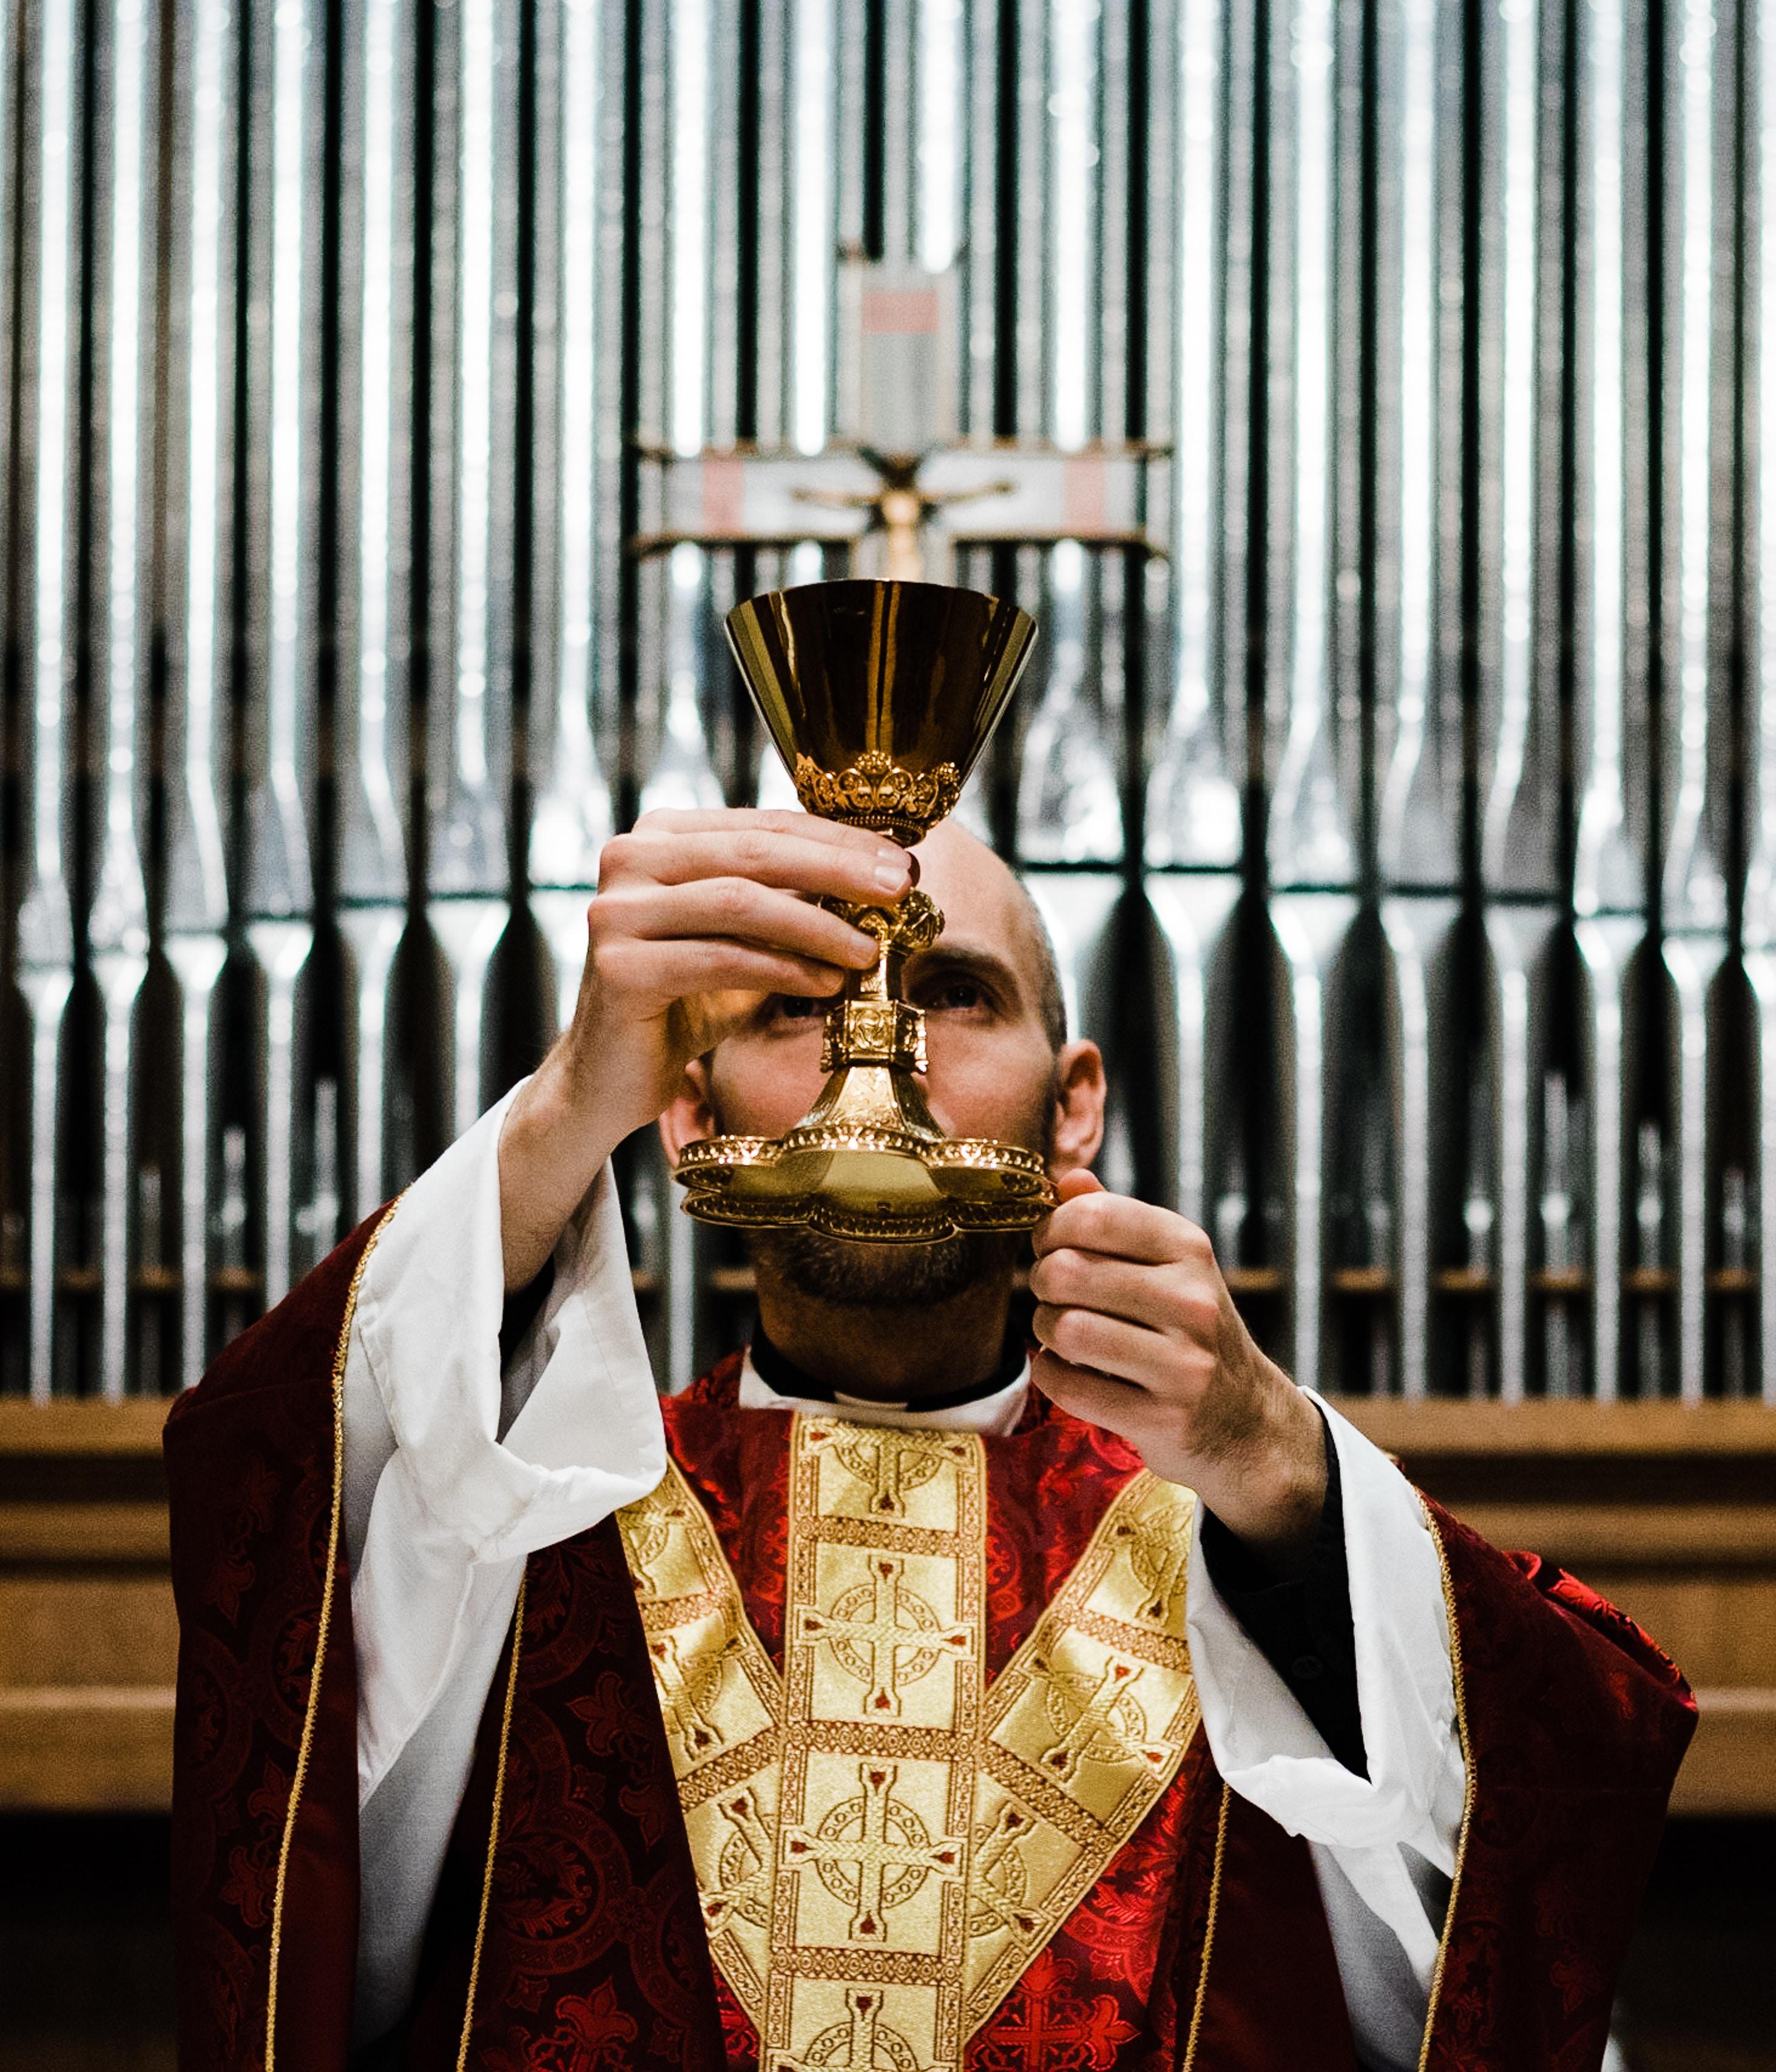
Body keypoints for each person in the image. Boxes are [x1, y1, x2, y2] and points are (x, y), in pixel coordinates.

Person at [164, 809, 1695, 2072]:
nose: (875, 1065)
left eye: (951, 992)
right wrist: (567, 1107)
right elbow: (267, 1543)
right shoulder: (513, 1519)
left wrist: (1284, 1470)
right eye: (797, 1001)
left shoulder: (1265, 1555)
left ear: (1074, 1106)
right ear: (688, 1115)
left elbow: (1545, 1833)